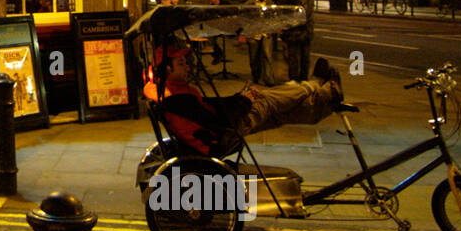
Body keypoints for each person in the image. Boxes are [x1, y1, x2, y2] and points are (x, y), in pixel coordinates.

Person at [143, 42, 344, 158]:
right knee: (265, 98)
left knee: (278, 114)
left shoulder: (171, 90)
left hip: (218, 131)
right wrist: (246, 100)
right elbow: (216, 120)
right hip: (220, 137)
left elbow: (209, 106)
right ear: (167, 69)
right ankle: (314, 85)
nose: (187, 67)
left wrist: (240, 97)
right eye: (181, 63)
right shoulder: (174, 98)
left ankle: (323, 101)